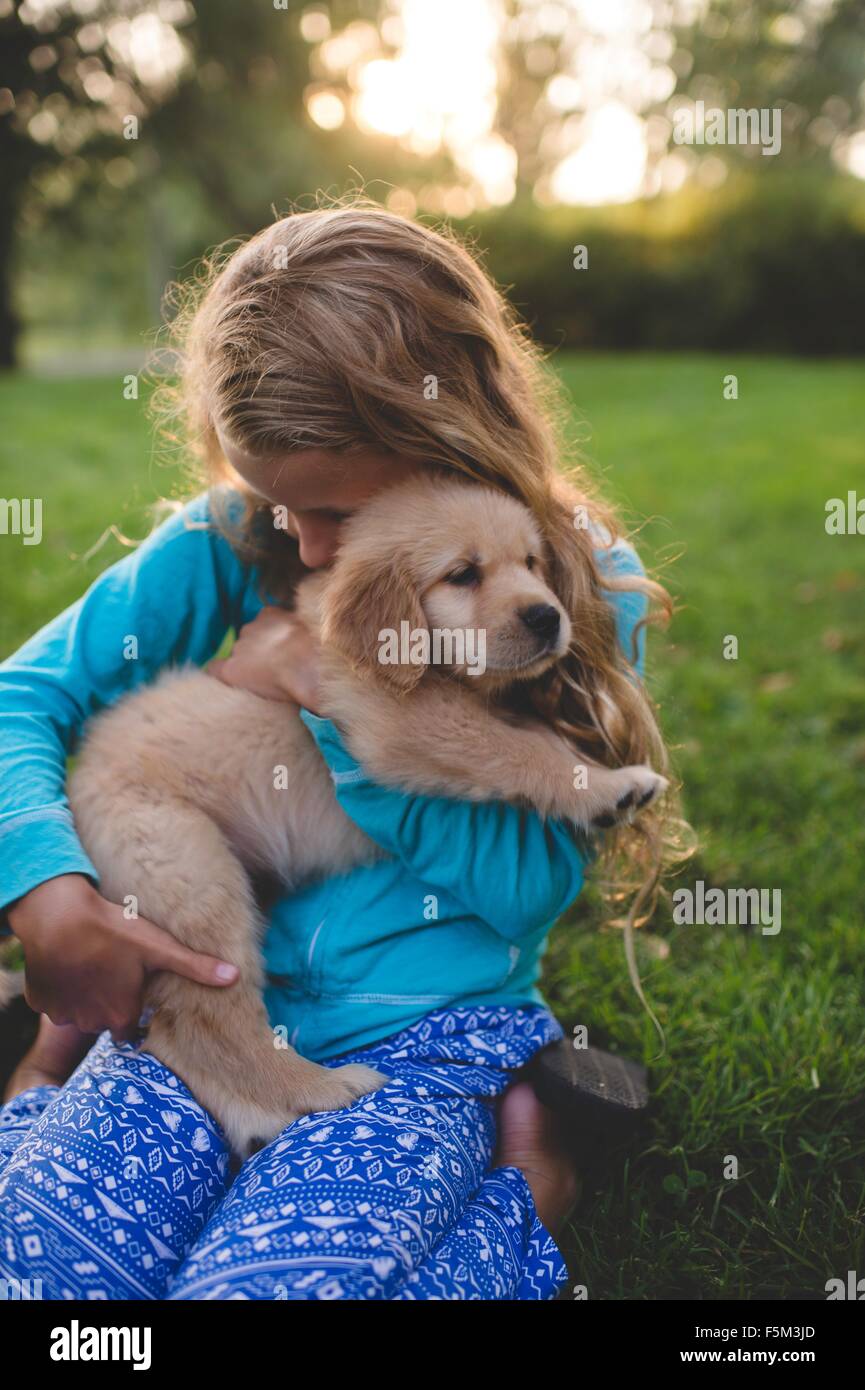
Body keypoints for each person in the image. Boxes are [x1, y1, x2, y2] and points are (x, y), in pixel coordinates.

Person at [0, 203, 671, 1300]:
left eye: (333, 511)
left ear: (451, 439)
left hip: (422, 1045)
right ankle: (43, 1084)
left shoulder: (558, 585)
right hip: (192, 1017)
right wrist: (45, 884)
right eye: (278, 503)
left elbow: (525, 890)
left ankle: (528, 1190)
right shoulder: (242, 531)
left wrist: (336, 705)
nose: (301, 545)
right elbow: (22, 699)